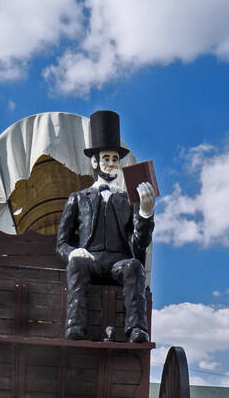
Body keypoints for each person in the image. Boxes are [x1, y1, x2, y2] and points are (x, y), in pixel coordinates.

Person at [56, 110, 155, 342]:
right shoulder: (78, 198)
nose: (111, 164)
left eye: (114, 159)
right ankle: (75, 327)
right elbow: (61, 243)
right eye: (106, 159)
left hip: (118, 262)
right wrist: (73, 252)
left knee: (134, 266)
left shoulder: (127, 199)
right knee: (76, 265)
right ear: (95, 162)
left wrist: (145, 212)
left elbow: (140, 245)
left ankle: (137, 329)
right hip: (90, 260)